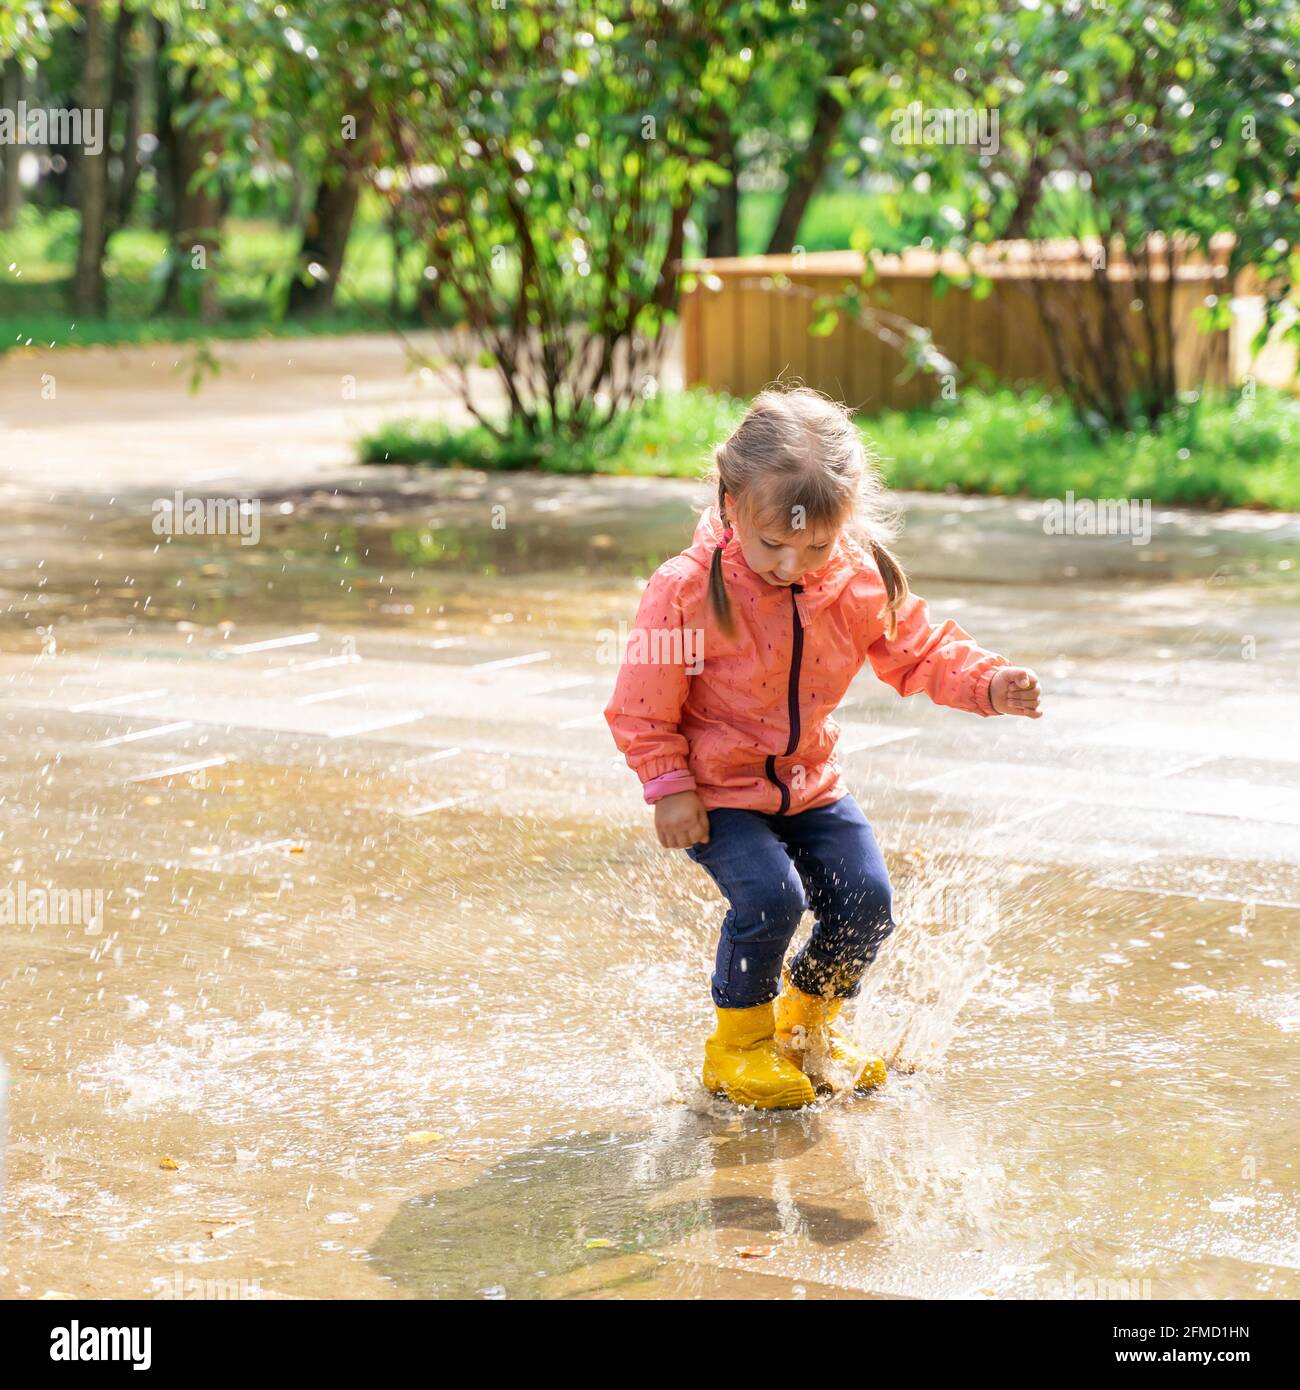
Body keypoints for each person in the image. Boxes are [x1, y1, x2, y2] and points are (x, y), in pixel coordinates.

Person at [604, 386, 1042, 1109]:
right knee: (773, 899)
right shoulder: (683, 590)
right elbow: (640, 703)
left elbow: (920, 649)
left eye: (814, 545)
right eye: (773, 543)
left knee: (866, 901)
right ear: (731, 501)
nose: (791, 564)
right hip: (719, 790)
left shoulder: (854, 577)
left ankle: (807, 1025)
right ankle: (737, 1047)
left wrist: (988, 683)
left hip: (809, 781)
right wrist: (669, 783)